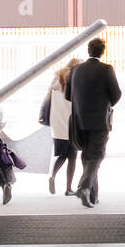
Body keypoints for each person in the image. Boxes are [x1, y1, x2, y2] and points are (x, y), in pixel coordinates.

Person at [65, 36, 122, 208]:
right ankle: (83, 187)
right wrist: (104, 103)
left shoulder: (75, 70)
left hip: (79, 120)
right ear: (102, 52)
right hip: (99, 121)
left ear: (88, 51)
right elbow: (117, 94)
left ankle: (92, 195)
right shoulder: (106, 69)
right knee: (97, 155)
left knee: (87, 156)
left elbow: (68, 95)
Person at [46, 57, 81, 197]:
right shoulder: (75, 80)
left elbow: (48, 101)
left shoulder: (56, 79)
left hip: (57, 124)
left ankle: (52, 176)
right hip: (71, 124)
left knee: (62, 154)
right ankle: (68, 188)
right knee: (72, 157)